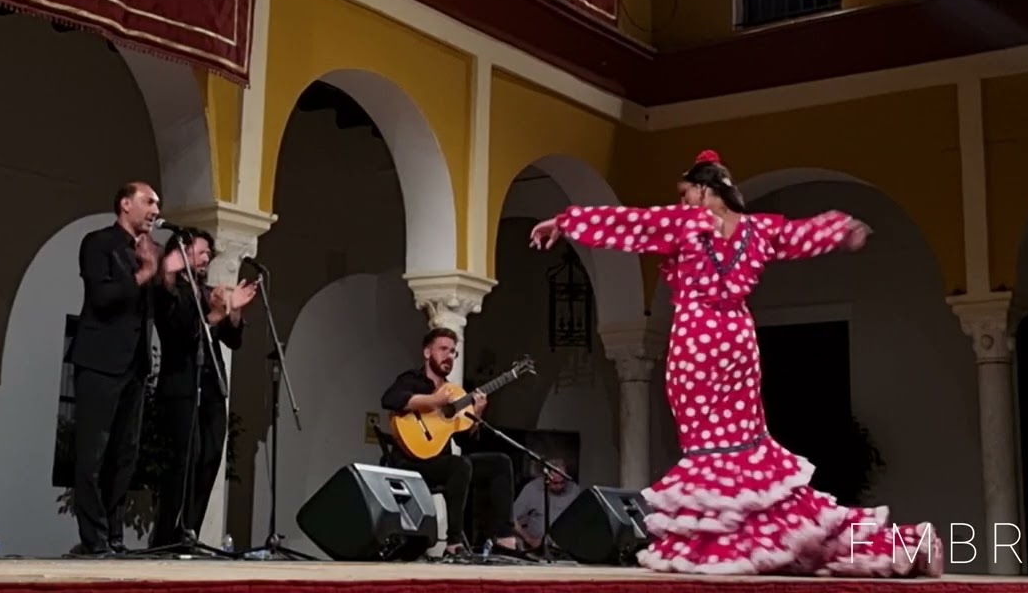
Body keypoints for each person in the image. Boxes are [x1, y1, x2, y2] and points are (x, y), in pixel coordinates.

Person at [528, 150, 945, 577]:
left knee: (709, 446)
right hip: (738, 340)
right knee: (748, 447)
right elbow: (800, 235)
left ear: (706, 189)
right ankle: (892, 543)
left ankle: (733, 543)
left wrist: (566, 222)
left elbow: (632, 225)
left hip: (697, 341)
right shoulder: (756, 229)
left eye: (687, 190)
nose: (684, 200)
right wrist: (839, 230)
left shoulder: (685, 224)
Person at [68, 181, 175, 557]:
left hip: (135, 366)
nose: (155, 210)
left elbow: (160, 309)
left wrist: (166, 275)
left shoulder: (149, 251)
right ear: (125, 204)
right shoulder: (99, 243)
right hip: (100, 361)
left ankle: (113, 535)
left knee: (124, 456)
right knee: (92, 453)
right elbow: (102, 298)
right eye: (149, 202)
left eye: (157, 204)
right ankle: (93, 539)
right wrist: (145, 272)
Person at [150, 228, 258, 547]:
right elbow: (179, 333)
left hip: (212, 388)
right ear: (181, 250)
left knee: (210, 457)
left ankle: (189, 532)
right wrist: (215, 314)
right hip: (181, 387)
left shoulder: (208, 291)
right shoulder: (171, 291)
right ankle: (165, 537)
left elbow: (232, 340)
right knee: (185, 460)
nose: (207, 256)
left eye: (210, 252)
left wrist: (234, 310)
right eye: (202, 250)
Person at [380, 328, 521, 555]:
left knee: (500, 462)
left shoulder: (455, 393)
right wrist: (432, 400)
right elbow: (389, 399)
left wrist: (477, 415)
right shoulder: (411, 380)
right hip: (411, 463)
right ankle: (454, 543)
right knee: (459, 465)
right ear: (427, 353)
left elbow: (466, 442)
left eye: (453, 352)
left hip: (442, 464)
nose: (449, 356)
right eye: (443, 349)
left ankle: (505, 538)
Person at [512, 457, 580, 551]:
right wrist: (529, 539)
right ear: (546, 478)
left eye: (562, 482)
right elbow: (511, 517)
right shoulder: (532, 489)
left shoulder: (574, 489)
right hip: (537, 546)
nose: (559, 486)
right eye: (555, 483)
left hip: (567, 547)